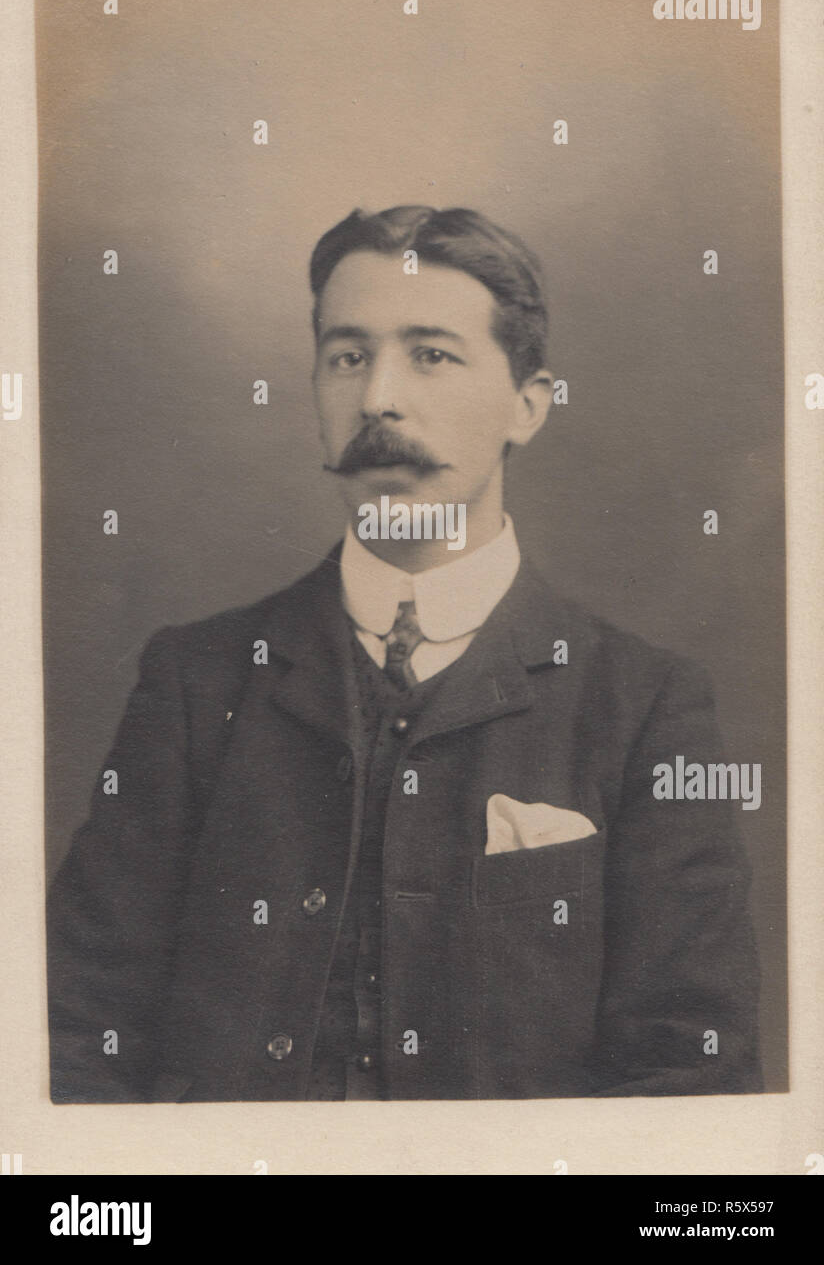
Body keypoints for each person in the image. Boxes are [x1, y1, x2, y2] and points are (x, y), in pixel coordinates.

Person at [47, 205, 762, 1101]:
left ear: (527, 406)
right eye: (348, 356)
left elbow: (693, 1073)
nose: (379, 396)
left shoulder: (644, 704)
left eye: (432, 353)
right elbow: (77, 1036)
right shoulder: (195, 681)